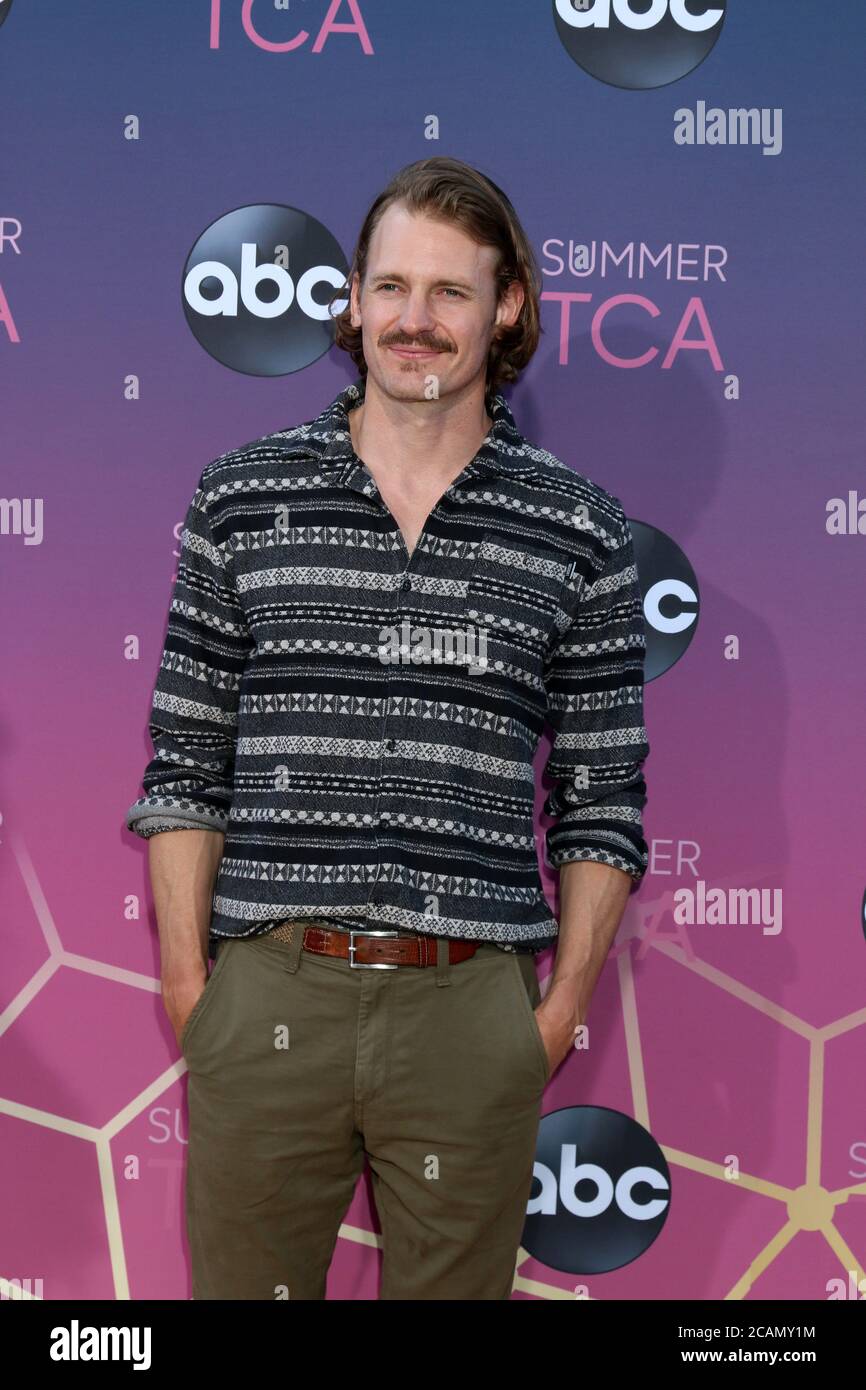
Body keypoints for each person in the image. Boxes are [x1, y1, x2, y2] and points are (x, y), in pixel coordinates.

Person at [125, 155, 651, 1300]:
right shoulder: (241, 500)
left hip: (472, 1012)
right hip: (267, 994)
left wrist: (552, 1013)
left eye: (449, 293)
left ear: (504, 306)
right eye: (390, 288)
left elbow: (602, 801)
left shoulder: (580, 532)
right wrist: (189, 988)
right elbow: (184, 765)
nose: (414, 322)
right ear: (353, 300)